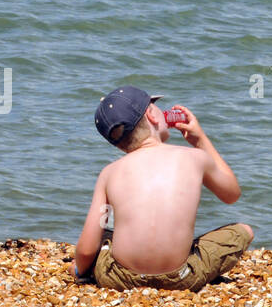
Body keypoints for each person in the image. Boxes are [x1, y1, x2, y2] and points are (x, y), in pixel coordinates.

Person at [72, 85, 253, 291]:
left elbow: (86, 250)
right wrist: (200, 140)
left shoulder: (110, 173)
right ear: (152, 115)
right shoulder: (194, 158)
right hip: (181, 277)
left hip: (120, 278)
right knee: (243, 231)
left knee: (101, 234)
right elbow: (231, 194)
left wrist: (79, 270)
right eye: (157, 107)